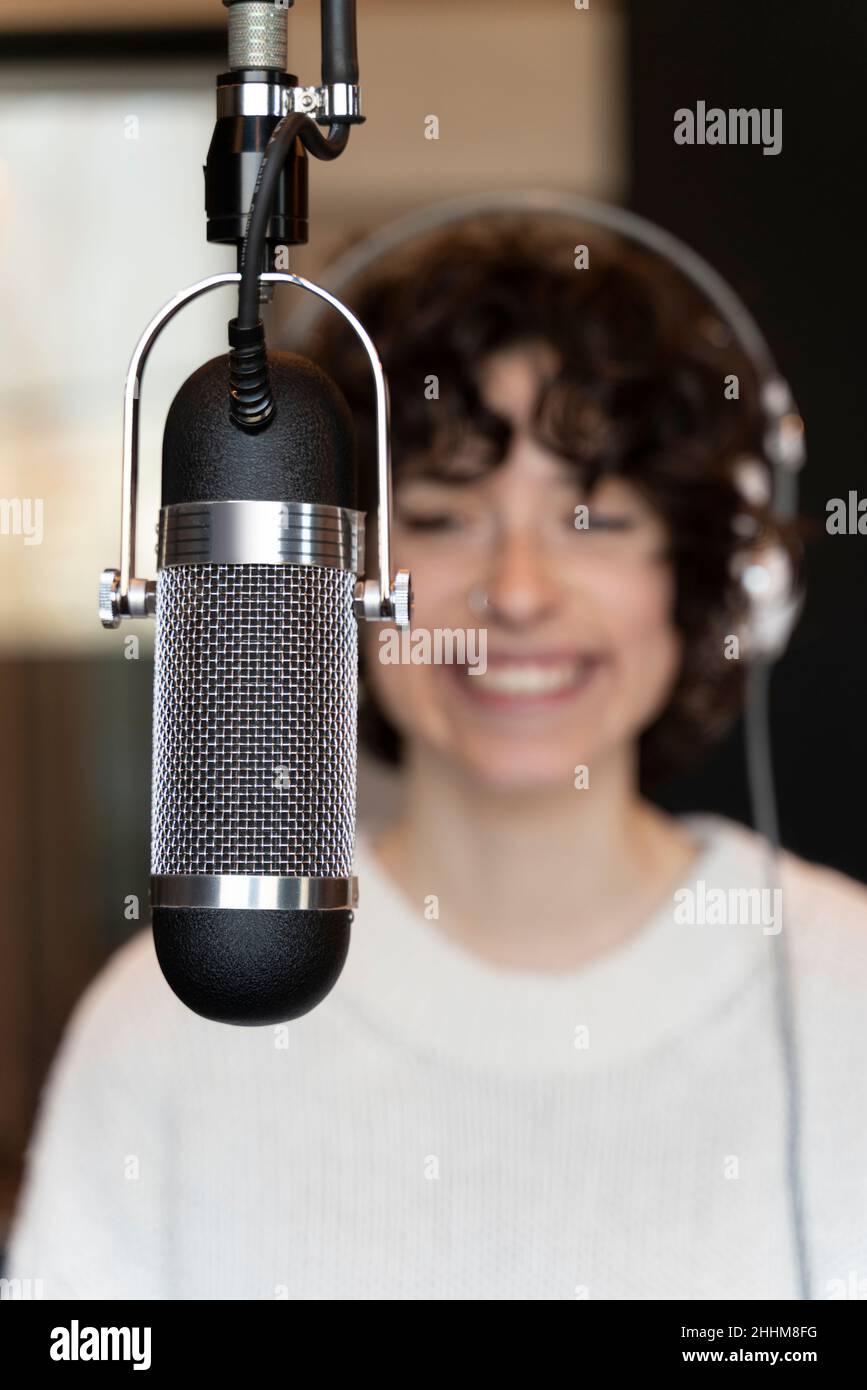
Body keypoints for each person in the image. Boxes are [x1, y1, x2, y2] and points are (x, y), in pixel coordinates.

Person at [6, 211, 867, 1301]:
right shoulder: (163, 1022)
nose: (513, 592)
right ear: (340, 586)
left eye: (591, 520)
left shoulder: (849, 992)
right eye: (443, 514)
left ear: (710, 582)